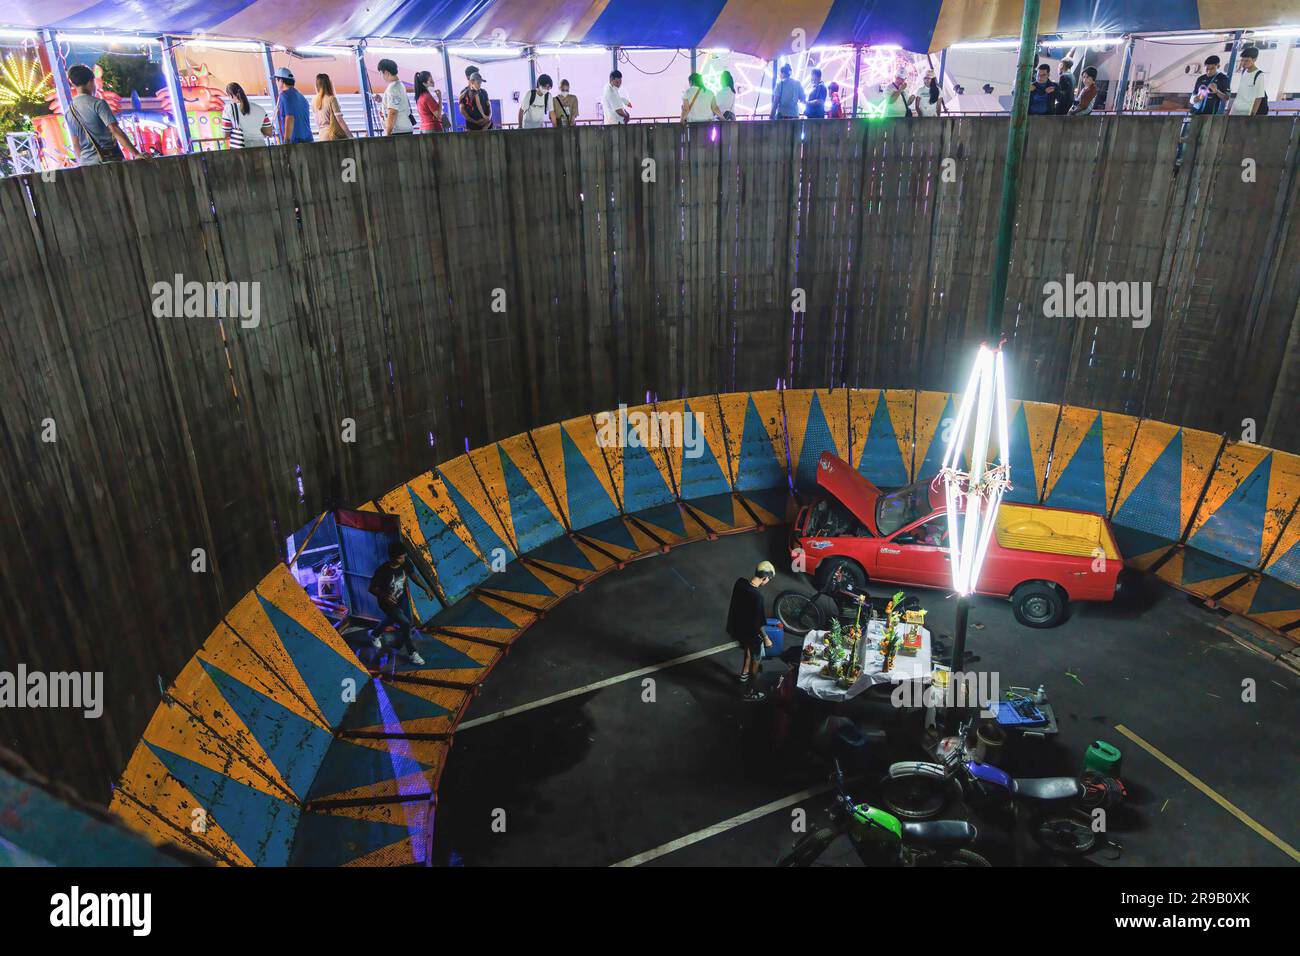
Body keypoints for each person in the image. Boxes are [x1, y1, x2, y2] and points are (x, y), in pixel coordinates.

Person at [64, 63, 143, 164]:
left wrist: (82, 164)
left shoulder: (69, 111)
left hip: (87, 164)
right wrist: (136, 154)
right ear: (91, 82)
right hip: (108, 161)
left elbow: (76, 143)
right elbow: (114, 130)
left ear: (73, 84)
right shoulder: (98, 103)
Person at [368, 544, 425, 665]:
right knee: (405, 624)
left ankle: (375, 634)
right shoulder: (383, 571)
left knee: (393, 619)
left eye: (404, 557)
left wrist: (425, 588)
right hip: (388, 603)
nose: (404, 560)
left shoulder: (404, 562)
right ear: (392, 557)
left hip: (401, 598)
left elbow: (413, 575)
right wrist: (384, 595)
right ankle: (412, 653)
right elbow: (372, 588)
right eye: (400, 558)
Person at [727, 561, 776, 700]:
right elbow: (759, 623)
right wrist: (766, 639)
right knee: (756, 659)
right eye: (769, 579)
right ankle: (750, 692)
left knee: (747, 650)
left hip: (739, 629)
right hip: (752, 633)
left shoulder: (740, 583)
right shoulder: (757, 597)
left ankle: (743, 674)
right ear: (765, 578)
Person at [221, 81, 274, 148]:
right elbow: (269, 132)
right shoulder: (259, 108)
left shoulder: (229, 109)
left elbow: (225, 134)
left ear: (230, 95)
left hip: (241, 150)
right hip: (261, 148)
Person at [273, 67, 313, 144]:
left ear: (281, 81)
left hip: (295, 143)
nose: (276, 83)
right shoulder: (302, 97)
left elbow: (289, 118)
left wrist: (286, 142)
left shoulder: (284, 95)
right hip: (309, 141)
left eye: (276, 80)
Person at [375, 59, 413, 135]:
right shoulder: (399, 85)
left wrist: (388, 133)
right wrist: (383, 100)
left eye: (380, 73)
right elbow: (397, 103)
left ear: (386, 73)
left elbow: (392, 112)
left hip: (398, 131)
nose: (380, 76)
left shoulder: (392, 88)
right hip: (404, 129)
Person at [1230, 46, 1268, 116]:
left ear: (1254, 59)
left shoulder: (1259, 74)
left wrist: (1252, 115)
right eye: (1242, 60)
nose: (1243, 63)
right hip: (1236, 111)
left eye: (1246, 60)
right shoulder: (1244, 72)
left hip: (1247, 112)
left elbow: (1259, 97)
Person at [313, 74, 351, 141]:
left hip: (321, 136)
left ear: (317, 85)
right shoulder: (331, 99)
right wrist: (350, 136)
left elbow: (316, 121)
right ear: (329, 84)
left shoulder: (314, 100)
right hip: (332, 136)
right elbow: (340, 120)